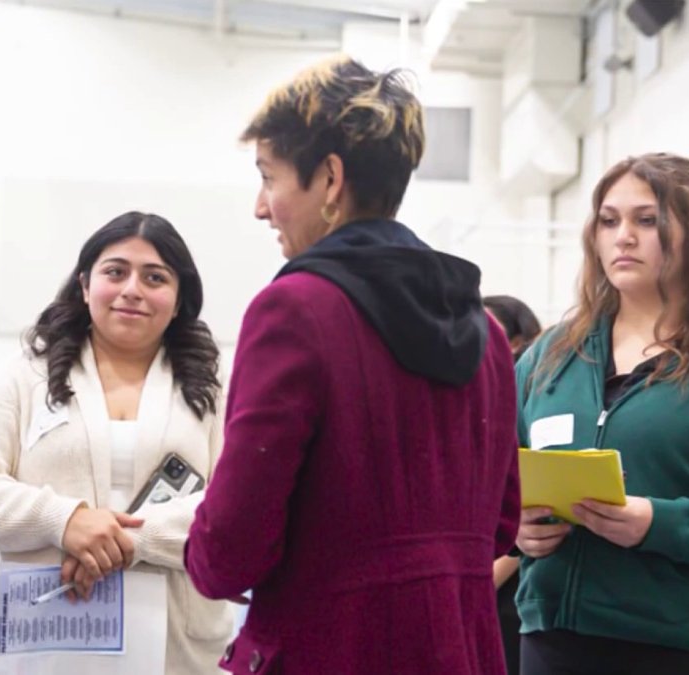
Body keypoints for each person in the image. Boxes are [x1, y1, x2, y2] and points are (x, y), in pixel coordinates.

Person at [183, 55, 520, 674]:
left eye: (270, 178)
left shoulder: (294, 311)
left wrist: (195, 548)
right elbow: (501, 528)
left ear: (331, 180)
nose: (261, 207)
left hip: (330, 649)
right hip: (462, 652)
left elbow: (230, 551)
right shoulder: (489, 334)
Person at [0, 211, 233, 673]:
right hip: (51, 638)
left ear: (179, 299)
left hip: (179, 650)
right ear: (84, 285)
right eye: (115, 272)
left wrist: (133, 540)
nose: (132, 289)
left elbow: (238, 506)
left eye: (155, 277)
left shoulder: (216, 389)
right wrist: (64, 520)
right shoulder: (23, 376)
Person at [513, 153, 689, 675]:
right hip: (555, 640)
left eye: (647, 220)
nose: (624, 237)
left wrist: (659, 523)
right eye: (609, 221)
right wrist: (515, 528)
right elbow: (495, 482)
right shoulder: (550, 357)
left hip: (686, 645)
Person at [484, 294, 542, 675]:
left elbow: (524, 499)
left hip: (509, 582)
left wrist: (487, 578)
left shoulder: (525, 389)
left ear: (518, 341)